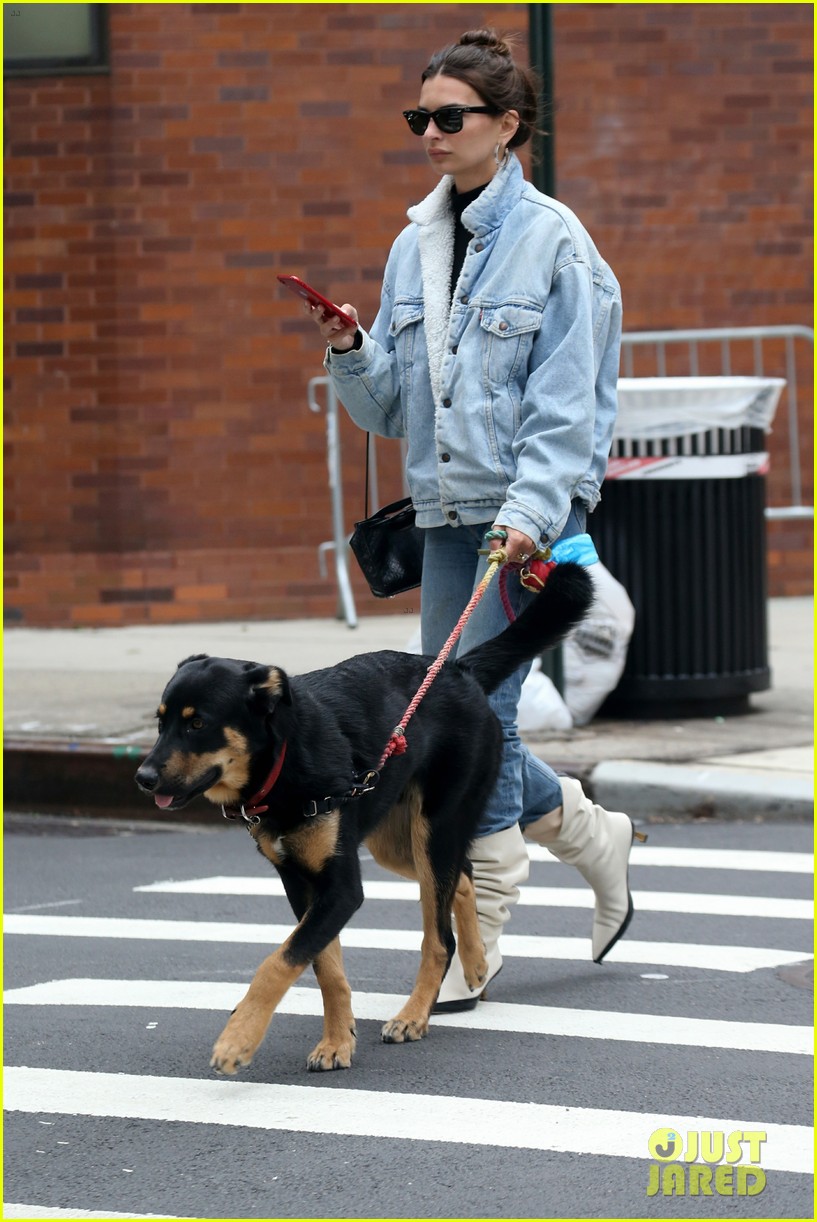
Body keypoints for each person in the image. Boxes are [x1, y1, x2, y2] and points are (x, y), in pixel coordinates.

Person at [308, 28, 639, 1011]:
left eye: (449, 117)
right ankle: (585, 831)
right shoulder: (413, 246)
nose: (429, 133)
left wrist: (532, 513)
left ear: (506, 126)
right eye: (420, 117)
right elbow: (393, 412)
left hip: (525, 514)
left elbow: (569, 404)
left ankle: (478, 912)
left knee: (471, 716)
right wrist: (355, 350)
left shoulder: (557, 244)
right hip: (450, 513)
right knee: (450, 712)